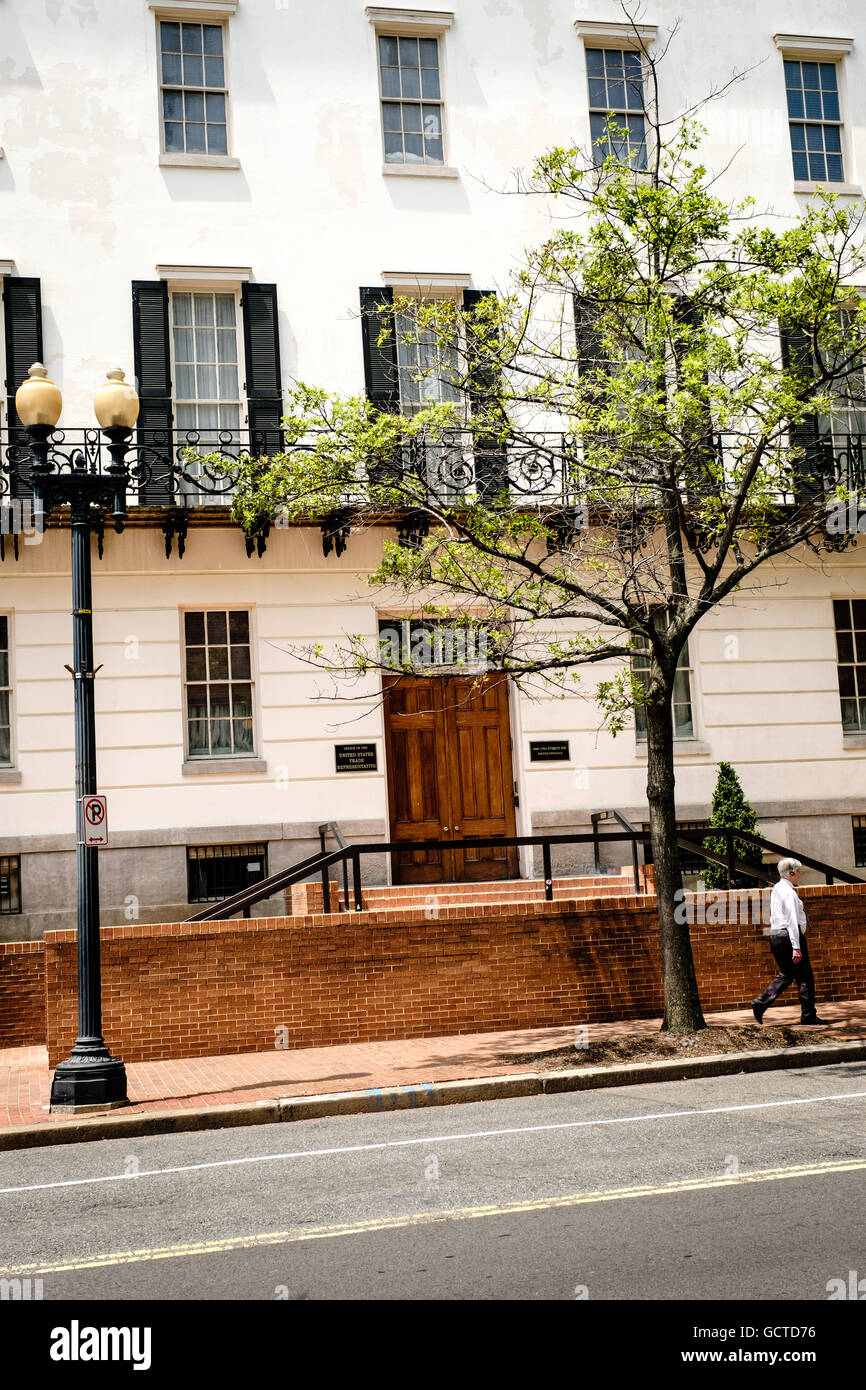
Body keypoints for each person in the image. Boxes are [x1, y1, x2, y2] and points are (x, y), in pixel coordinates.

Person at [752, 858, 829, 1025]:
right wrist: (796, 946)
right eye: (798, 871)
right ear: (791, 873)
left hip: (776, 936)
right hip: (789, 936)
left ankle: (761, 1003)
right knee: (805, 977)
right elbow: (792, 920)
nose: (799, 874)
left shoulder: (778, 888)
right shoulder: (788, 892)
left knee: (786, 975)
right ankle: (808, 1016)